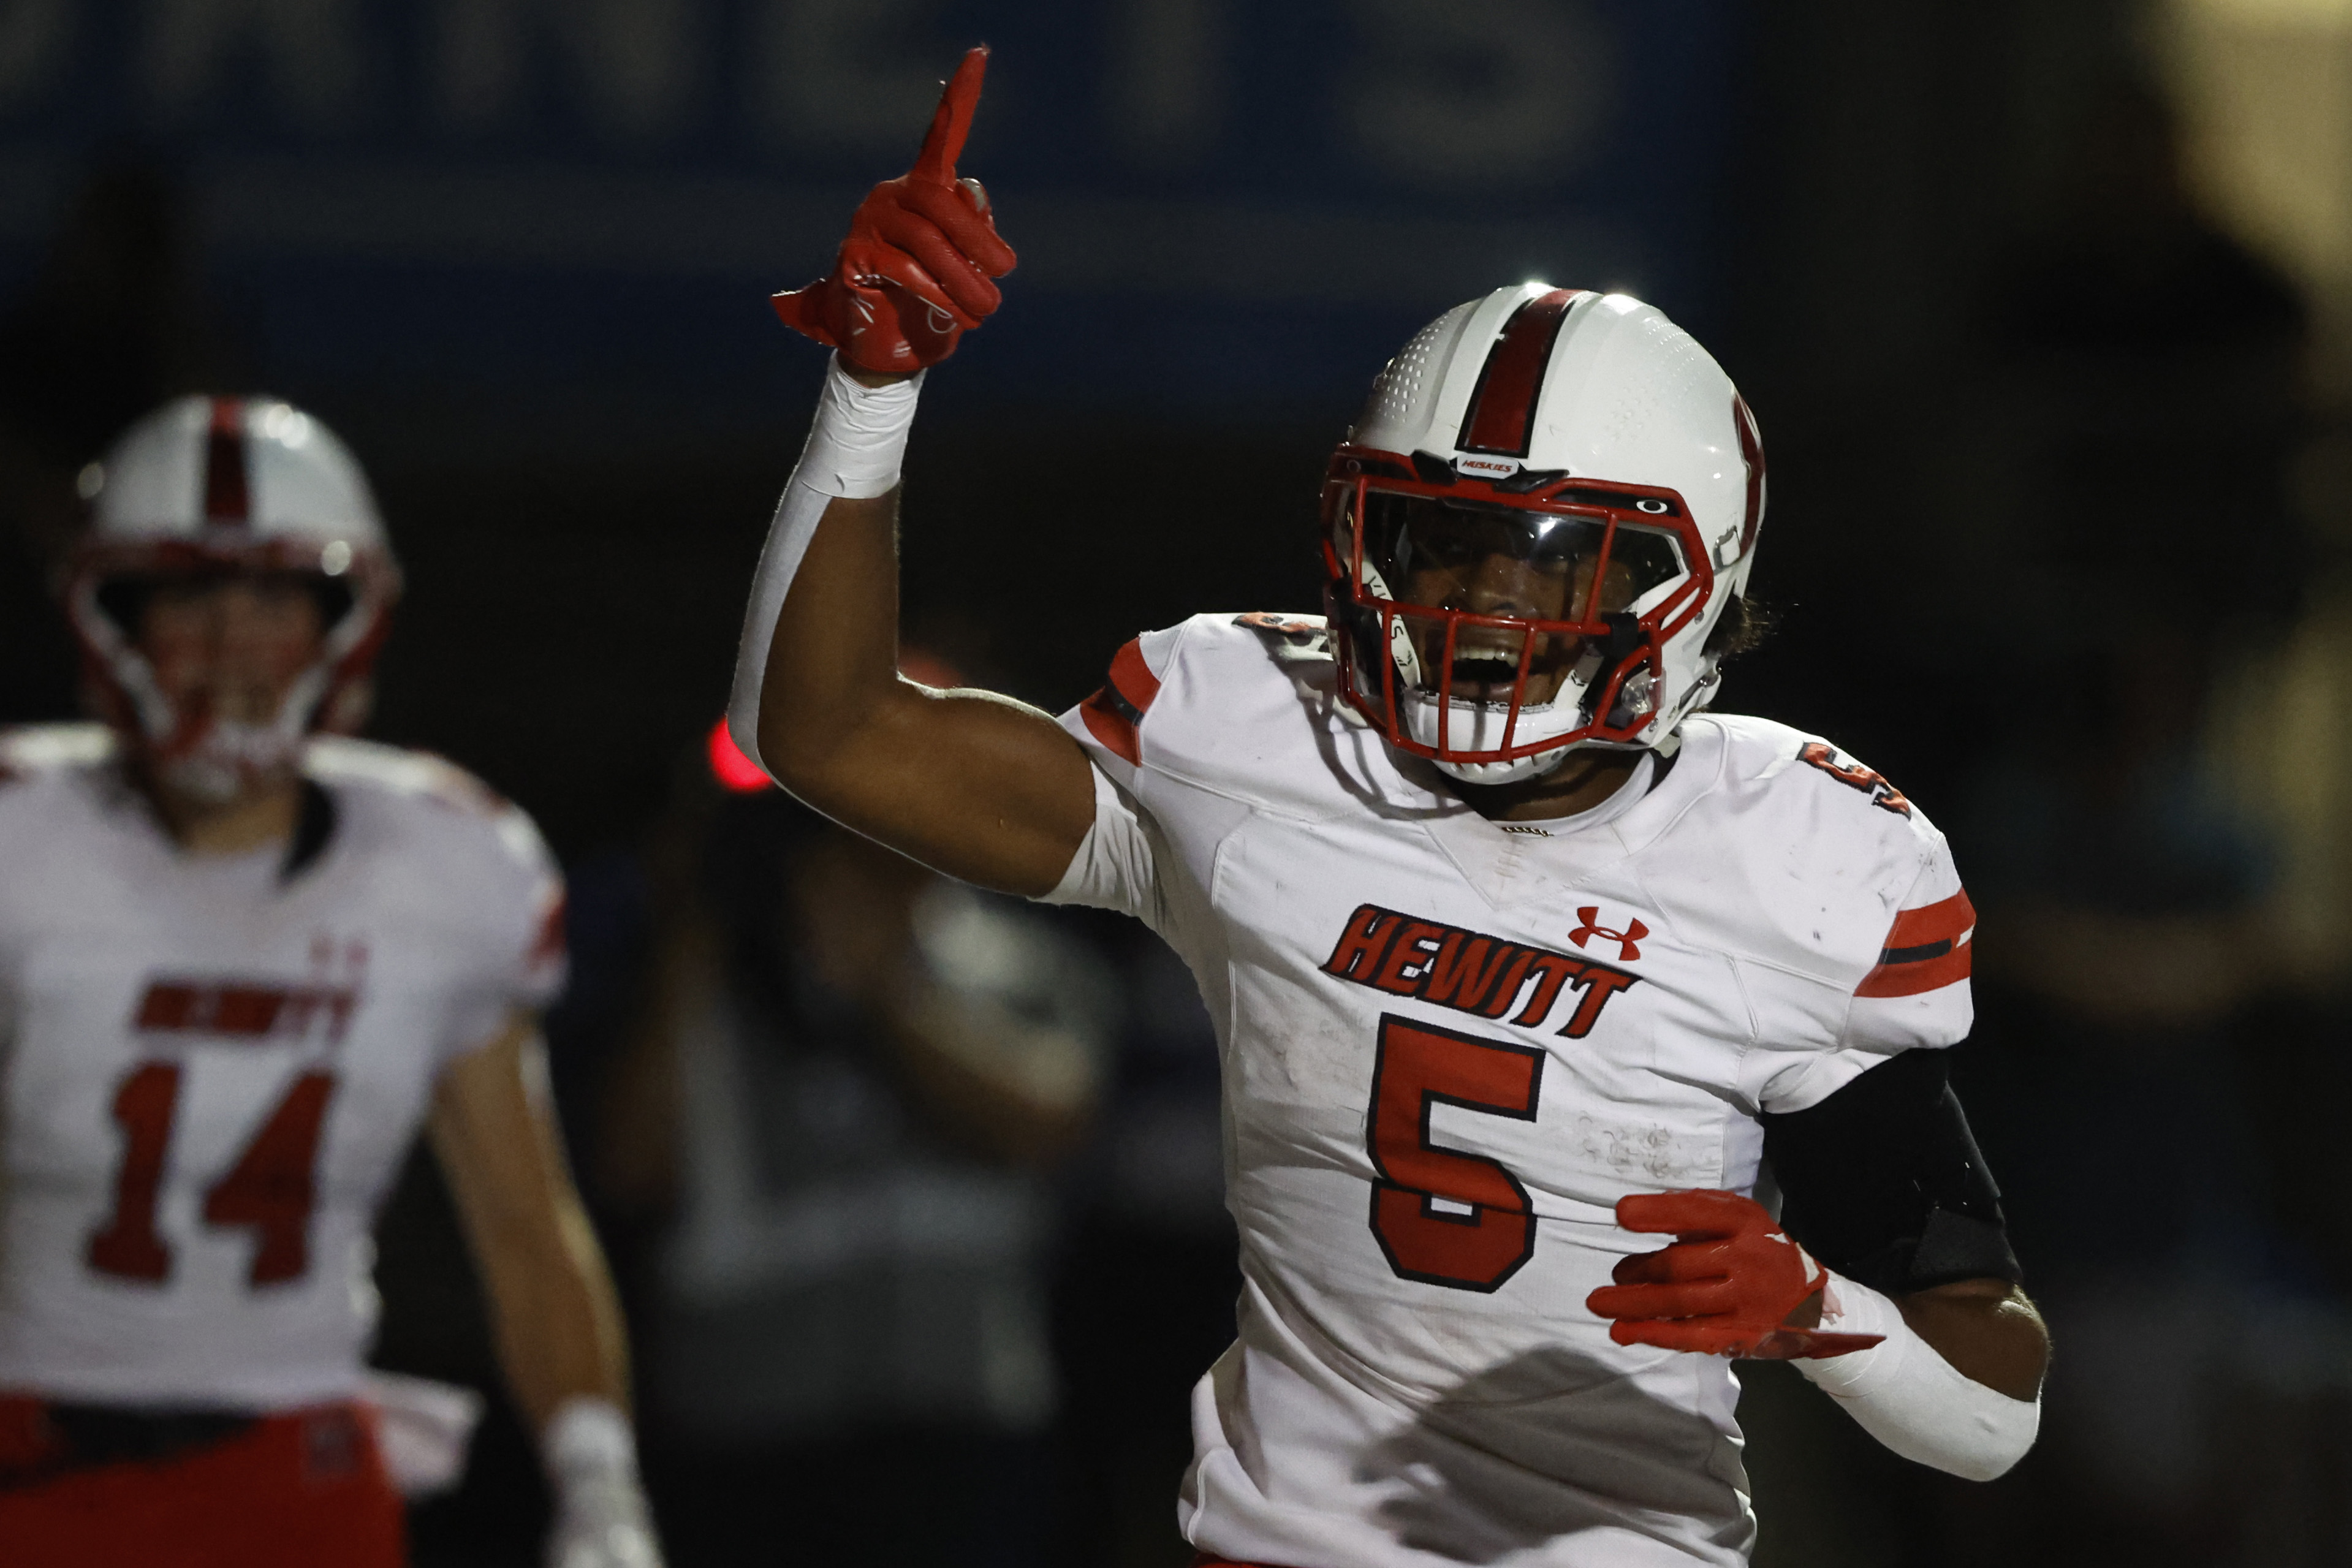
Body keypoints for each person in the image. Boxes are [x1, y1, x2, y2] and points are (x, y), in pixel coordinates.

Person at [730, 49, 2050, 1566]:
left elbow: (1991, 1405)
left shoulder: (1805, 864)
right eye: (1442, 540)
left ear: (1685, 586)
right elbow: (824, 731)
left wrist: (1826, 1317)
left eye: (1552, 556)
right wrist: (870, 386)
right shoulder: (1253, 741)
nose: (1489, 603)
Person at [0, 396, 662, 1568]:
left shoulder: (445, 865)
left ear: (343, 622)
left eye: (273, 599)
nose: (231, 640)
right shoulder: (25, 837)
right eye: (188, 597)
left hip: (295, 1471)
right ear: (112, 620)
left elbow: (522, 1220)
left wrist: (598, 1480)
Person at [599, 719, 1109, 1566]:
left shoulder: (1016, 963)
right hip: (749, 1438)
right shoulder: (708, 987)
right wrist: (696, 922)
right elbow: (626, 1164)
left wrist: (884, 990)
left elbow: (1052, 1124)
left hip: (963, 1425)